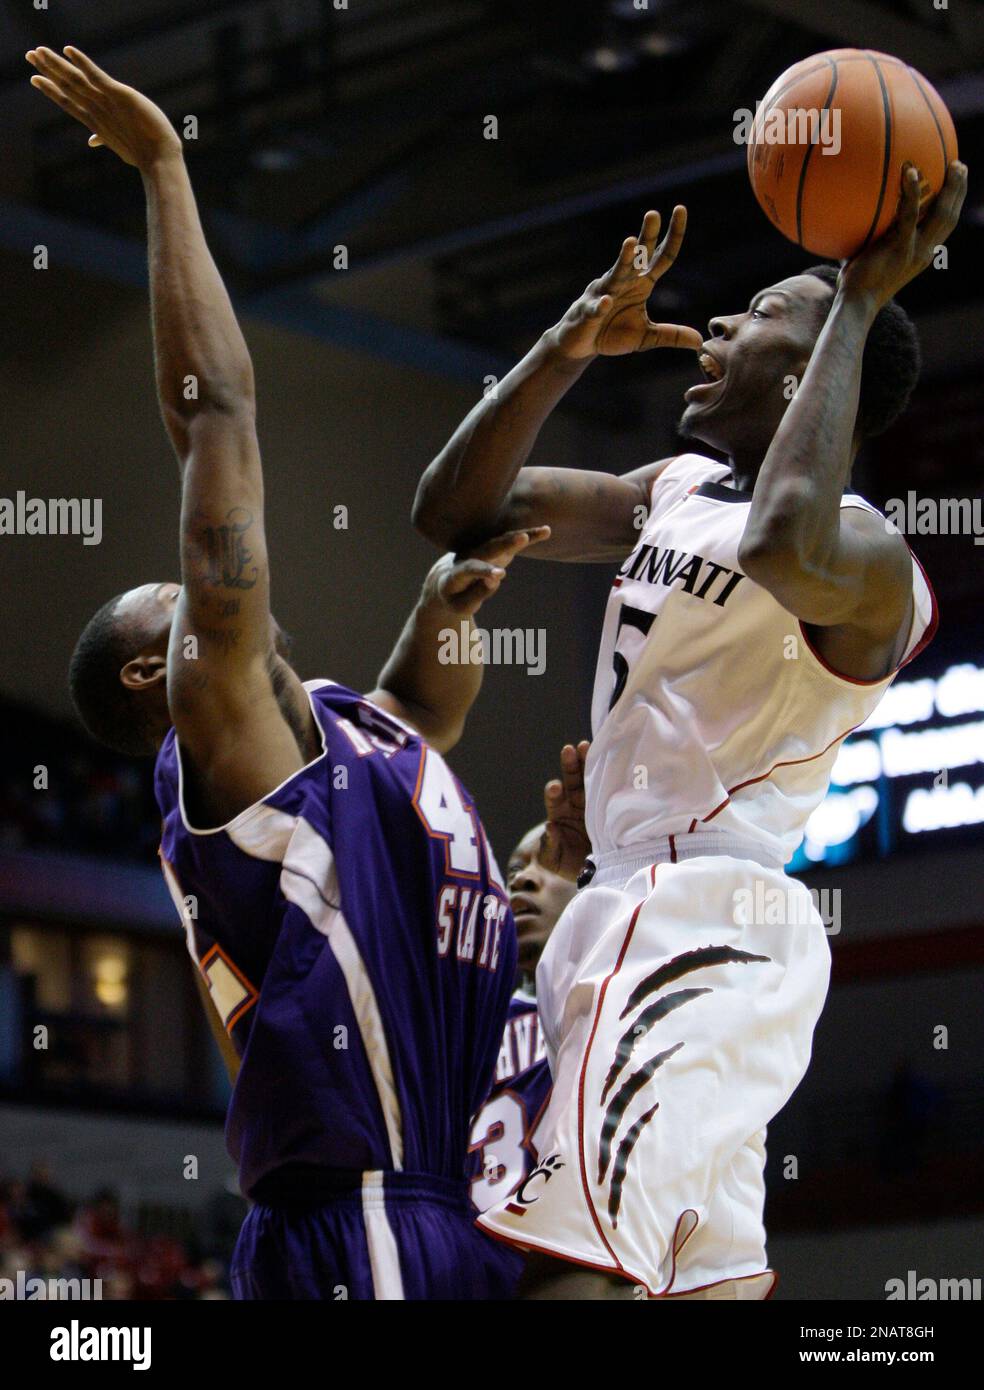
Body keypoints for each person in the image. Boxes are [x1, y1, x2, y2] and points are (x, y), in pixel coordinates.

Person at [30, 43, 546, 1301]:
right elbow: (218, 414)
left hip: (443, 1205)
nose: (231, 604)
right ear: (163, 669)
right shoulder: (219, 727)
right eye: (189, 603)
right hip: (355, 1216)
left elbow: (423, 714)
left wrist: (445, 609)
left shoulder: (330, 732)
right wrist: (162, 171)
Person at [412, 168, 967, 1298]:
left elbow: (782, 548)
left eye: (762, 312)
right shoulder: (674, 490)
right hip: (624, 908)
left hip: (705, 920)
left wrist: (857, 303)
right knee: (696, 1286)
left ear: (817, 372)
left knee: (561, 1270)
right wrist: (566, 344)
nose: (718, 319)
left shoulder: (871, 562)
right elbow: (457, 508)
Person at [469, 743, 586, 1216]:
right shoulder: (467, 1021)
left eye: (552, 860)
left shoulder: (617, 997)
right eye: (514, 871)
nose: (522, 880)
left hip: (567, 1253)